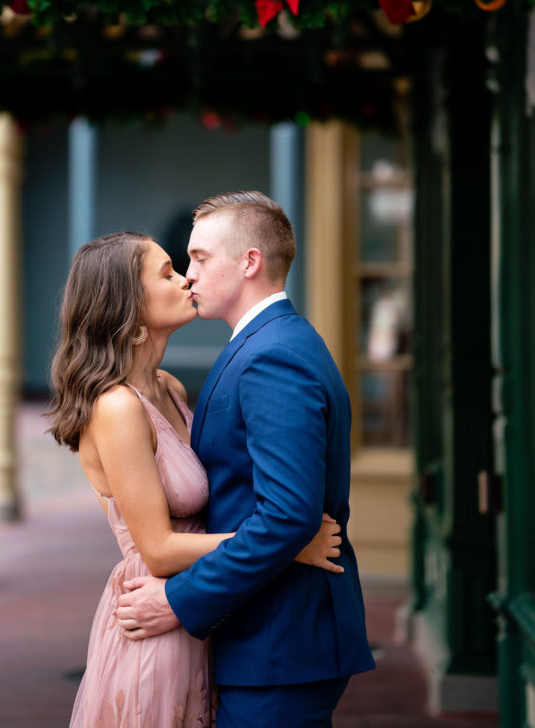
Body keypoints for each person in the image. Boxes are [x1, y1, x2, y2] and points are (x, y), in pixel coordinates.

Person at [47, 230, 344, 728]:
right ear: (129, 308)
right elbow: (158, 548)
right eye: (166, 273)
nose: (185, 278)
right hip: (157, 614)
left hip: (201, 605)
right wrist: (287, 543)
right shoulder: (117, 408)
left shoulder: (169, 386)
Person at [116, 192, 376, 728]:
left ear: (250, 262)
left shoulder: (272, 355)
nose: (189, 275)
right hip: (269, 640)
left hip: (280, 646)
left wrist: (179, 600)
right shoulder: (266, 343)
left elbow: (286, 516)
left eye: (200, 258)